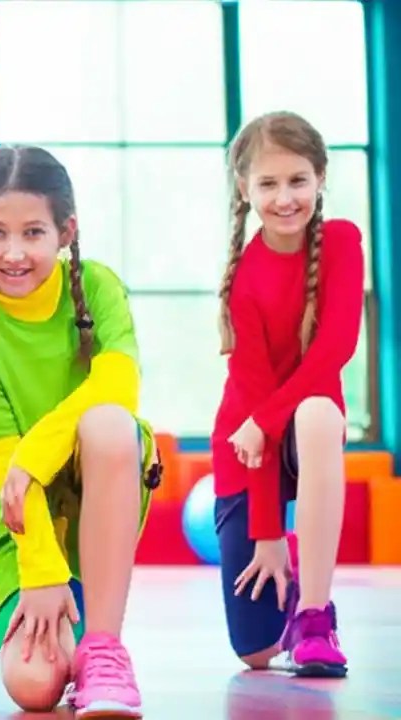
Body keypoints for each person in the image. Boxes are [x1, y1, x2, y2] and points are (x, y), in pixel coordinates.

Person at [0, 145, 161, 717]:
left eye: (33, 232)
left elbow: (120, 380)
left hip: (99, 496)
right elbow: (1, 461)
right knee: (34, 685)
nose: (14, 253)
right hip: (25, 526)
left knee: (110, 423)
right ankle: (70, 635)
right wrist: (39, 569)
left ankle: (106, 648)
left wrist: (40, 449)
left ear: (65, 232)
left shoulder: (99, 286)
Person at [212, 110, 362, 679]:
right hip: (249, 448)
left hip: (301, 429)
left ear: (320, 179)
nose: (284, 198)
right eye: (268, 183)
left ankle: (315, 614)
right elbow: (249, 409)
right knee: (254, 650)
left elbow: (334, 351)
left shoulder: (343, 242)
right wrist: (269, 535)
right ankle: (290, 577)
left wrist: (269, 419)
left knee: (321, 414)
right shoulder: (244, 279)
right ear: (244, 188)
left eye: (297, 180)